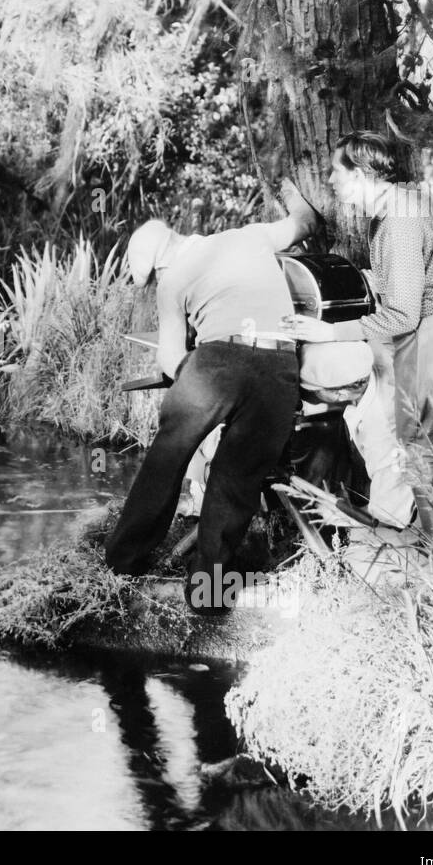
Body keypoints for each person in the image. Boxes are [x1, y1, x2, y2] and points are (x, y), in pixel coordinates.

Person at [106, 200, 317, 613]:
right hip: (280, 367)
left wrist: (196, 377)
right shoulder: (251, 235)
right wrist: (293, 193)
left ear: (158, 264)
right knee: (236, 483)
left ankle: (119, 566)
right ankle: (208, 596)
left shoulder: (172, 281)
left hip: (216, 363)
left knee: (166, 462)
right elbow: (305, 223)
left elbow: (169, 359)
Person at [281, 132, 433, 542]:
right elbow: (401, 281)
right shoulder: (400, 210)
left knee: (420, 453)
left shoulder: (400, 221)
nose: (332, 181)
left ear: (363, 172)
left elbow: (402, 314)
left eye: (338, 172)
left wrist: (332, 331)